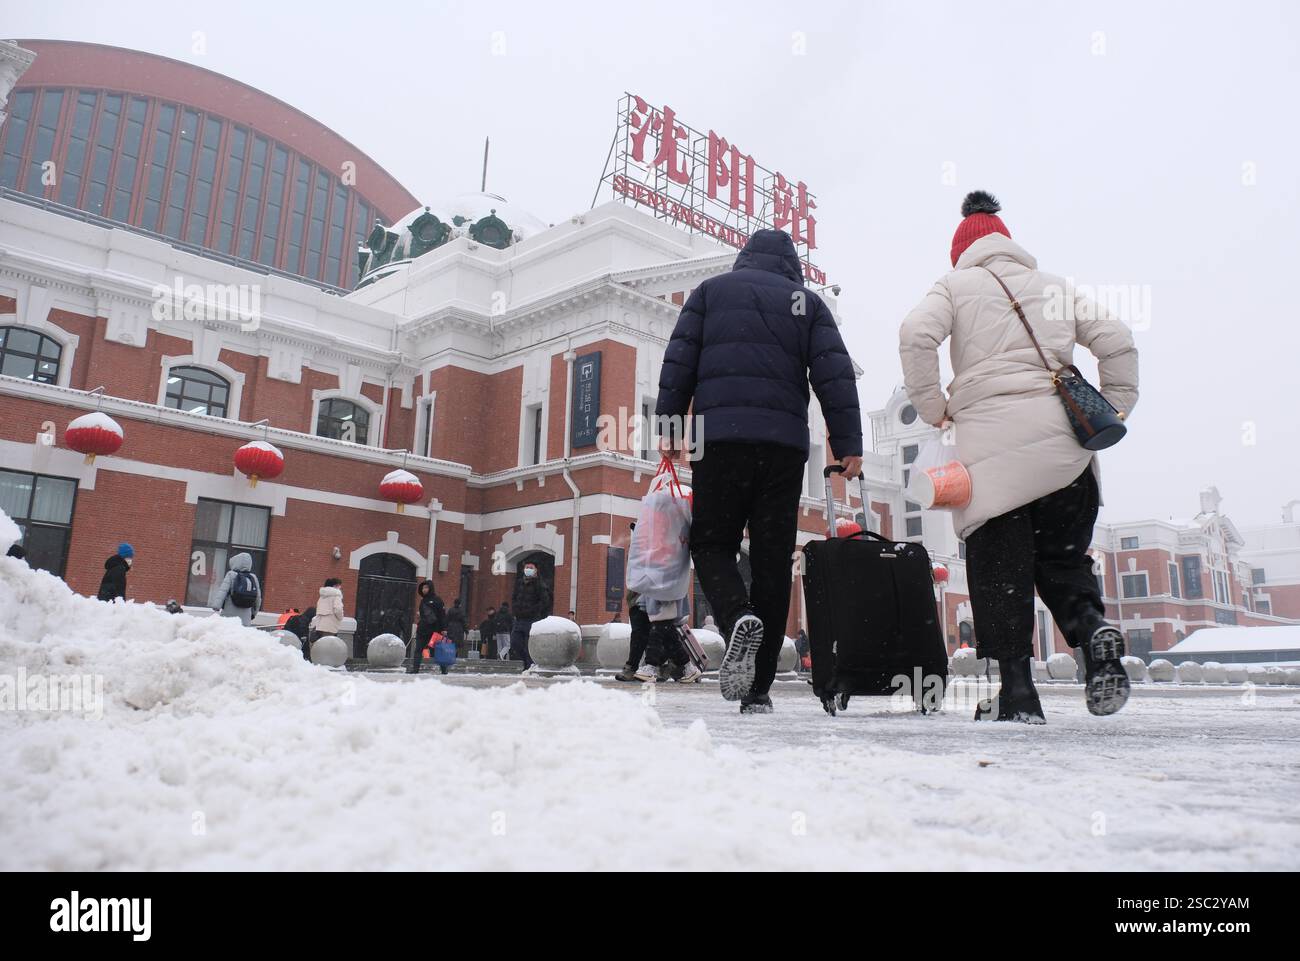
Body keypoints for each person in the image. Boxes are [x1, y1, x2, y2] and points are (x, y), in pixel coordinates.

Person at [899, 190, 1139, 722]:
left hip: (993, 462)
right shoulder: (1053, 287)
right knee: (1063, 563)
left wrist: (935, 408)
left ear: (960, 251)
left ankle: (1019, 695)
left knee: (999, 573)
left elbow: (917, 334)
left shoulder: (954, 286)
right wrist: (1114, 408)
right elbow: (1117, 339)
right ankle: (1091, 630)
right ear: (1008, 242)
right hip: (1067, 459)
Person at [656, 228, 863, 714]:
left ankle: (735, 617)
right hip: (782, 447)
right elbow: (832, 373)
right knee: (772, 561)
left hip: (719, 440)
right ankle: (759, 688)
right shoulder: (806, 303)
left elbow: (678, 360)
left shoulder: (710, 292)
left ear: (744, 258)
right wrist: (849, 443)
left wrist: (667, 428)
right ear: (791, 265)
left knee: (712, 544)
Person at [509, 564, 552, 670]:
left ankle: (530, 666)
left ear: (536, 571)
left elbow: (545, 601)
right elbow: (514, 597)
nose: (528, 570)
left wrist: (535, 611)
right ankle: (526, 662)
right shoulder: (519, 583)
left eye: (531, 568)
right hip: (519, 619)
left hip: (532, 620)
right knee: (515, 643)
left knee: (530, 646)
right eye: (527, 568)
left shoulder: (540, 585)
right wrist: (515, 609)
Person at [214, 552, 262, 626]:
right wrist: (254, 613)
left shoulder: (231, 574)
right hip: (246, 616)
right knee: (241, 636)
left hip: (229, 614)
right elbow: (258, 599)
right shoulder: (253, 577)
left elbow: (222, 591)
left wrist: (216, 606)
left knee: (226, 633)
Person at [411, 580, 445, 674]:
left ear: (430, 588)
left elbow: (442, 615)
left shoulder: (437, 600)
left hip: (434, 630)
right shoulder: (423, 600)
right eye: (423, 588)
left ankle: (444, 670)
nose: (424, 589)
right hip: (422, 629)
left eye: (426, 587)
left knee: (437, 650)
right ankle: (415, 669)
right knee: (418, 650)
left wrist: (443, 629)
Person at [309, 578, 346, 646]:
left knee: (320, 645)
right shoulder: (336, 595)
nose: (340, 587)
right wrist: (340, 618)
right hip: (330, 626)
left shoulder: (322, 596)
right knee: (329, 646)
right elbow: (338, 609)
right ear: (335, 586)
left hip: (319, 625)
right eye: (339, 585)